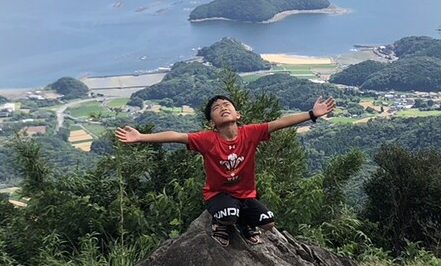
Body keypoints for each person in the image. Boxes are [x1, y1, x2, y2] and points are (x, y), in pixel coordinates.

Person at [115, 93, 336, 246]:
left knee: (268, 223)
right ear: (211, 123)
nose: (223, 108)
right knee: (228, 216)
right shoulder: (207, 139)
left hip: (246, 195)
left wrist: (312, 114)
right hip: (218, 194)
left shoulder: (250, 133)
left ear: (237, 114)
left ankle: (246, 222)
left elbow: (280, 122)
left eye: (227, 105)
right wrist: (141, 137)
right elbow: (176, 136)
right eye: (216, 108)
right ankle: (219, 223)